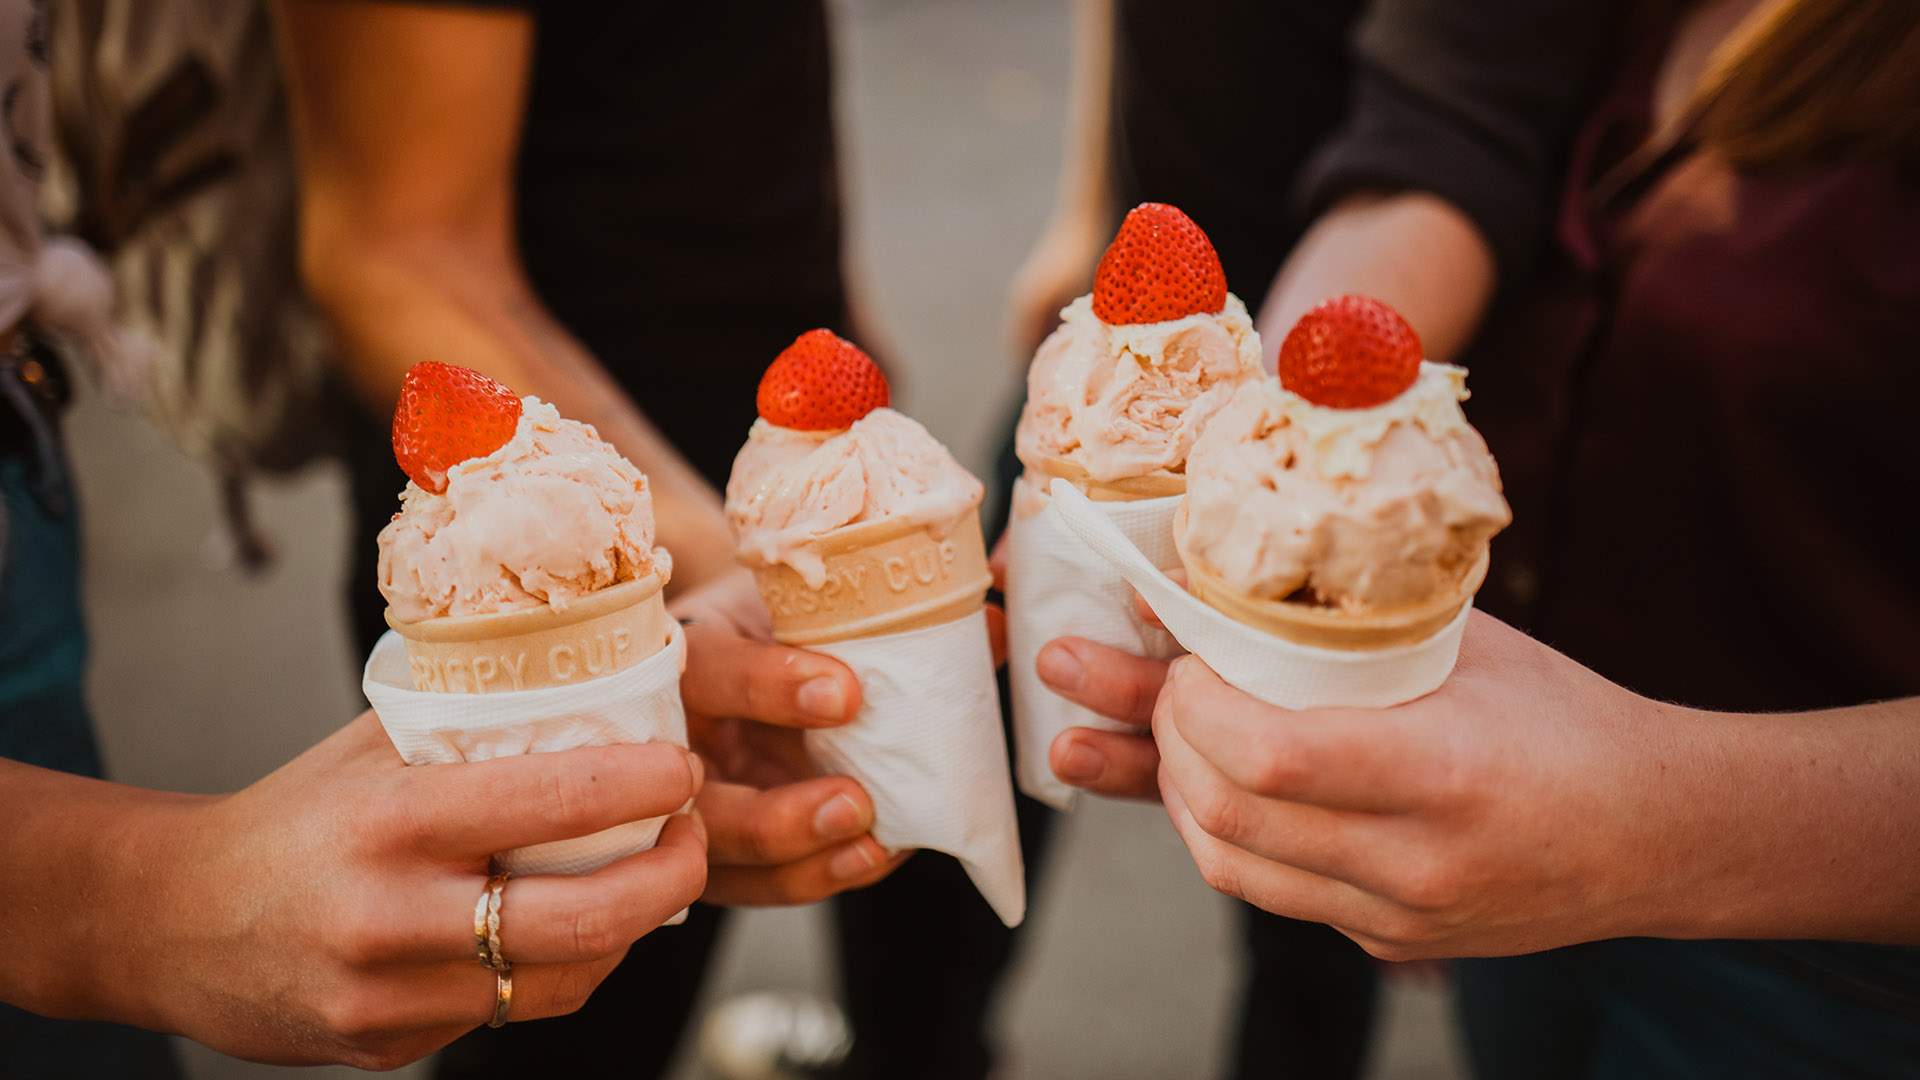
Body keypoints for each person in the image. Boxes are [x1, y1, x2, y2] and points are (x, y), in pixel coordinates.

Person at [1052, 0, 1920, 1074]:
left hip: (1845, 972)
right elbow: (1445, 144)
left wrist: (1647, 821)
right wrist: (1255, 455)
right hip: (1509, 828)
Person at [275, 3, 1028, 1076]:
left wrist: (841, 332)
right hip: (534, 558)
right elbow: (388, 251)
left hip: (787, 459)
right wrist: (722, 550)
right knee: (571, 1022)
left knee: (924, 952)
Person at [1005, 1, 1610, 1074]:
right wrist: (1082, 198)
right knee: (1015, 649)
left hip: (1366, 329)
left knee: (1313, 831)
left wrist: (1281, 432)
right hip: (1142, 309)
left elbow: (1455, 131)